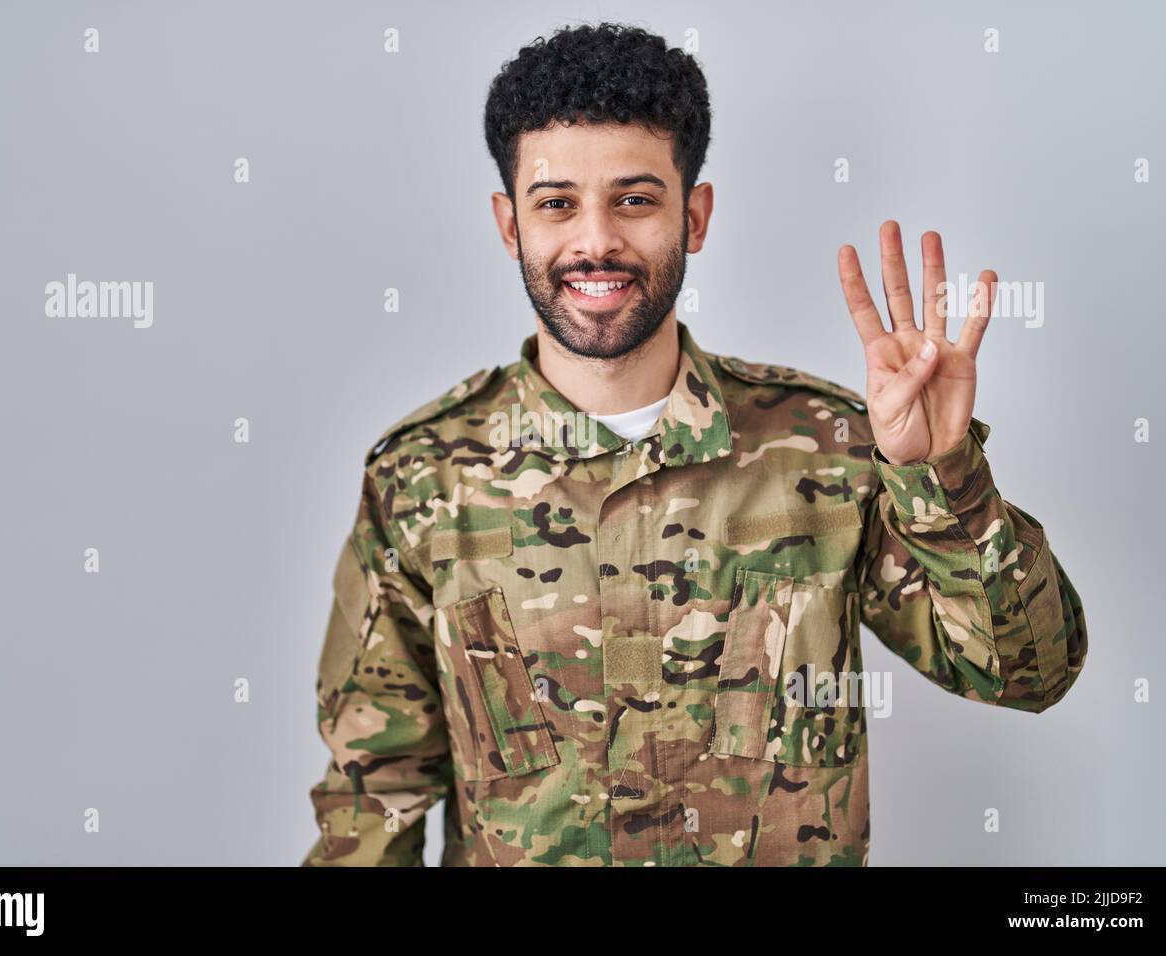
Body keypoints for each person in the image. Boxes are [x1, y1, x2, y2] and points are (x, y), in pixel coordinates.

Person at [301, 22, 1087, 867]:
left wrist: (941, 472)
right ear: (509, 224)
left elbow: (1027, 673)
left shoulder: (825, 451)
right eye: (556, 202)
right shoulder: (423, 478)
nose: (595, 240)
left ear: (696, 215)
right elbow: (370, 797)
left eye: (634, 199)